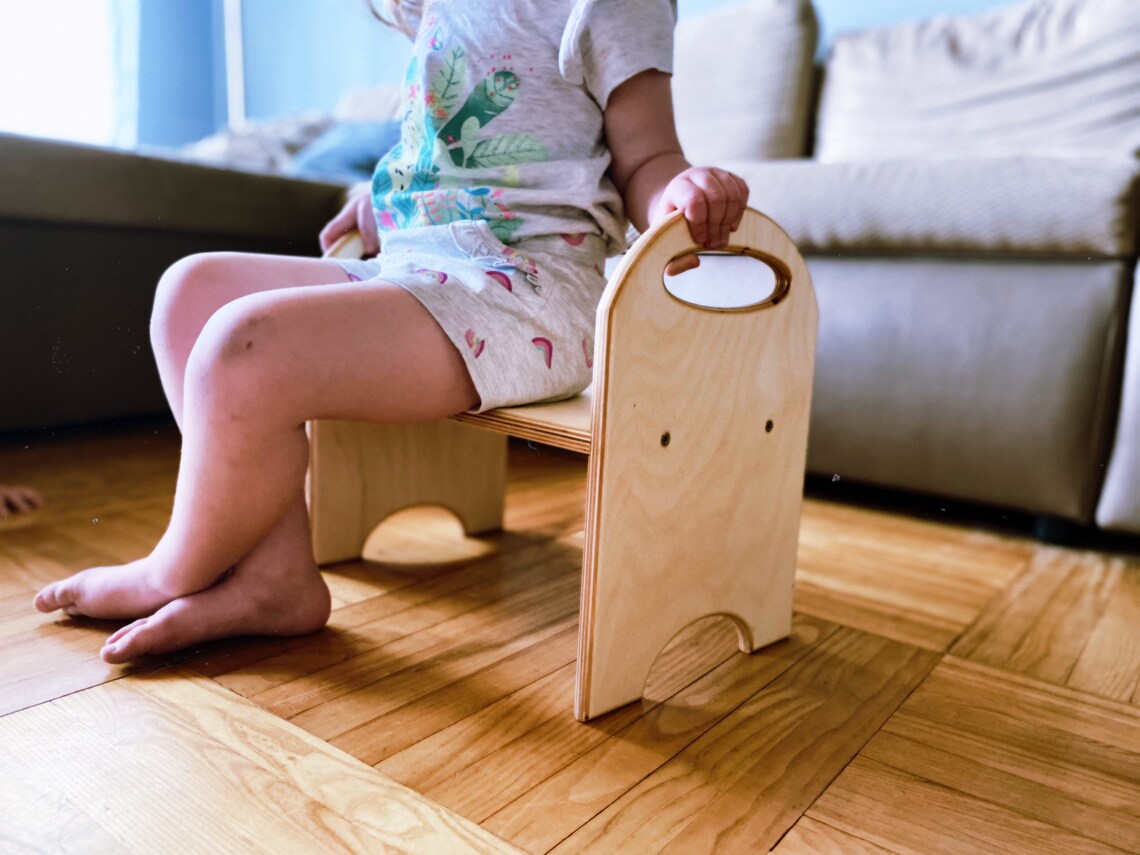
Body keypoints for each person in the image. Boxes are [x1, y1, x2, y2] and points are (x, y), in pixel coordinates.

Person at [34, 0, 749, 663]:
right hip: (420, 266)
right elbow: (452, 144)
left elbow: (647, 157)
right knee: (190, 292)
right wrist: (388, 199)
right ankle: (273, 575)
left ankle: (173, 569)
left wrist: (679, 193)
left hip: (524, 295)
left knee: (238, 348)